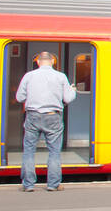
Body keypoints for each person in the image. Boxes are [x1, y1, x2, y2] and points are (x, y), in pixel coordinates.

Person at [15, 51, 77, 191]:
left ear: (37, 62)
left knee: (29, 151)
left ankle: (28, 185)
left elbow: (19, 98)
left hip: (33, 116)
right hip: (53, 116)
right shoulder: (60, 77)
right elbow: (67, 99)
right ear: (53, 62)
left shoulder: (29, 76)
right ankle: (53, 184)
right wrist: (73, 90)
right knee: (54, 152)